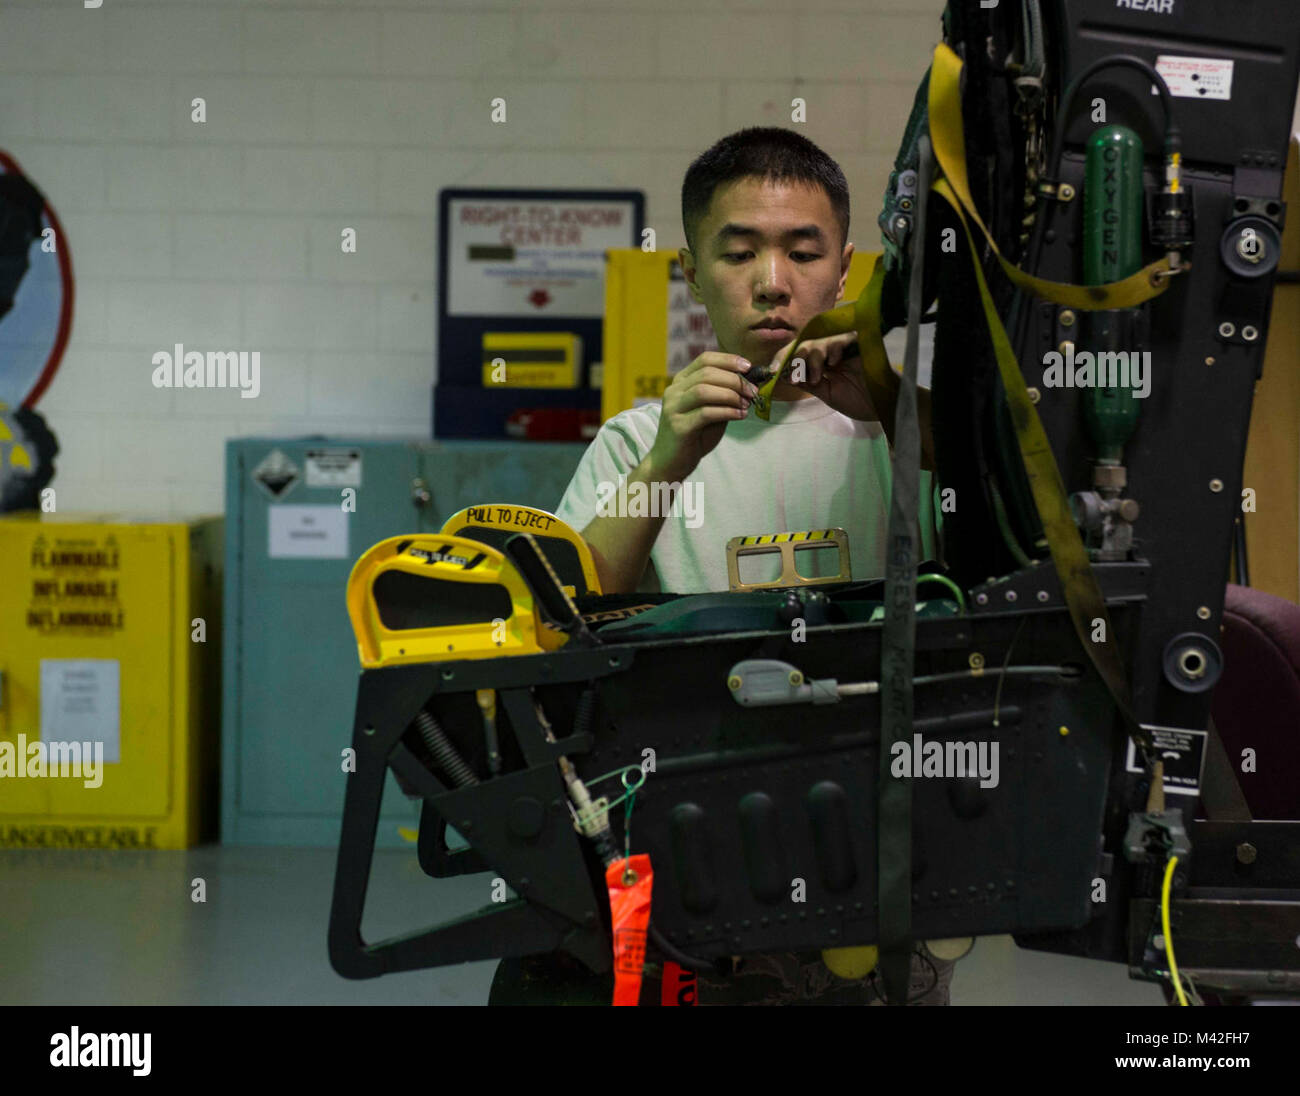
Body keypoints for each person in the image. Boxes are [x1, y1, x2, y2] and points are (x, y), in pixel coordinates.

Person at [490, 126, 953, 1005]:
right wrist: (671, 458)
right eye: (738, 254)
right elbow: (556, 623)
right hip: (699, 864)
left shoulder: (905, 436)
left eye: (802, 252)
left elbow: (1018, 536)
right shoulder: (639, 440)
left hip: (880, 857)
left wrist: (900, 412)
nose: (772, 282)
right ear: (692, 271)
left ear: (846, 268)